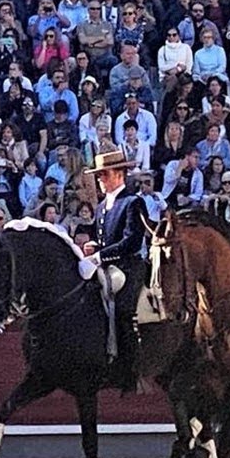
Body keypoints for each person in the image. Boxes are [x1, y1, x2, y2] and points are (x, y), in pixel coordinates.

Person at [81, 149, 147, 393]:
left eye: (104, 175)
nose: (100, 179)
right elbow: (107, 239)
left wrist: (99, 255)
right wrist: (95, 247)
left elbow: (131, 241)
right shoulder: (101, 207)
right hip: (108, 265)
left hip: (130, 265)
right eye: (99, 176)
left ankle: (130, 369)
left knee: (123, 310)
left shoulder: (133, 202)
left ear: (119, 175)